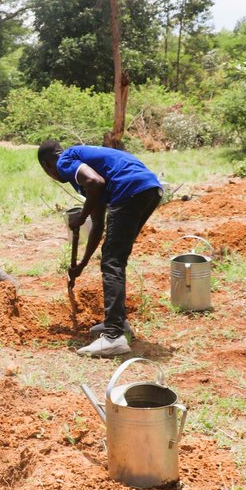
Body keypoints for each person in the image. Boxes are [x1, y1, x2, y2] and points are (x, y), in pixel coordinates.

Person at [37, 141, 161, 358]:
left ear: (48, 165)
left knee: (113, 261)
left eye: (48, 171)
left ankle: (113, 336)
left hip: (128, 190)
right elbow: (98, 224)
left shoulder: (66, 160)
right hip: (148, 189)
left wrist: (80, 216)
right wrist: (82, 264)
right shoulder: (86, 164)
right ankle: (117, 324)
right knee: (115, 258)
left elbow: (95, 182)